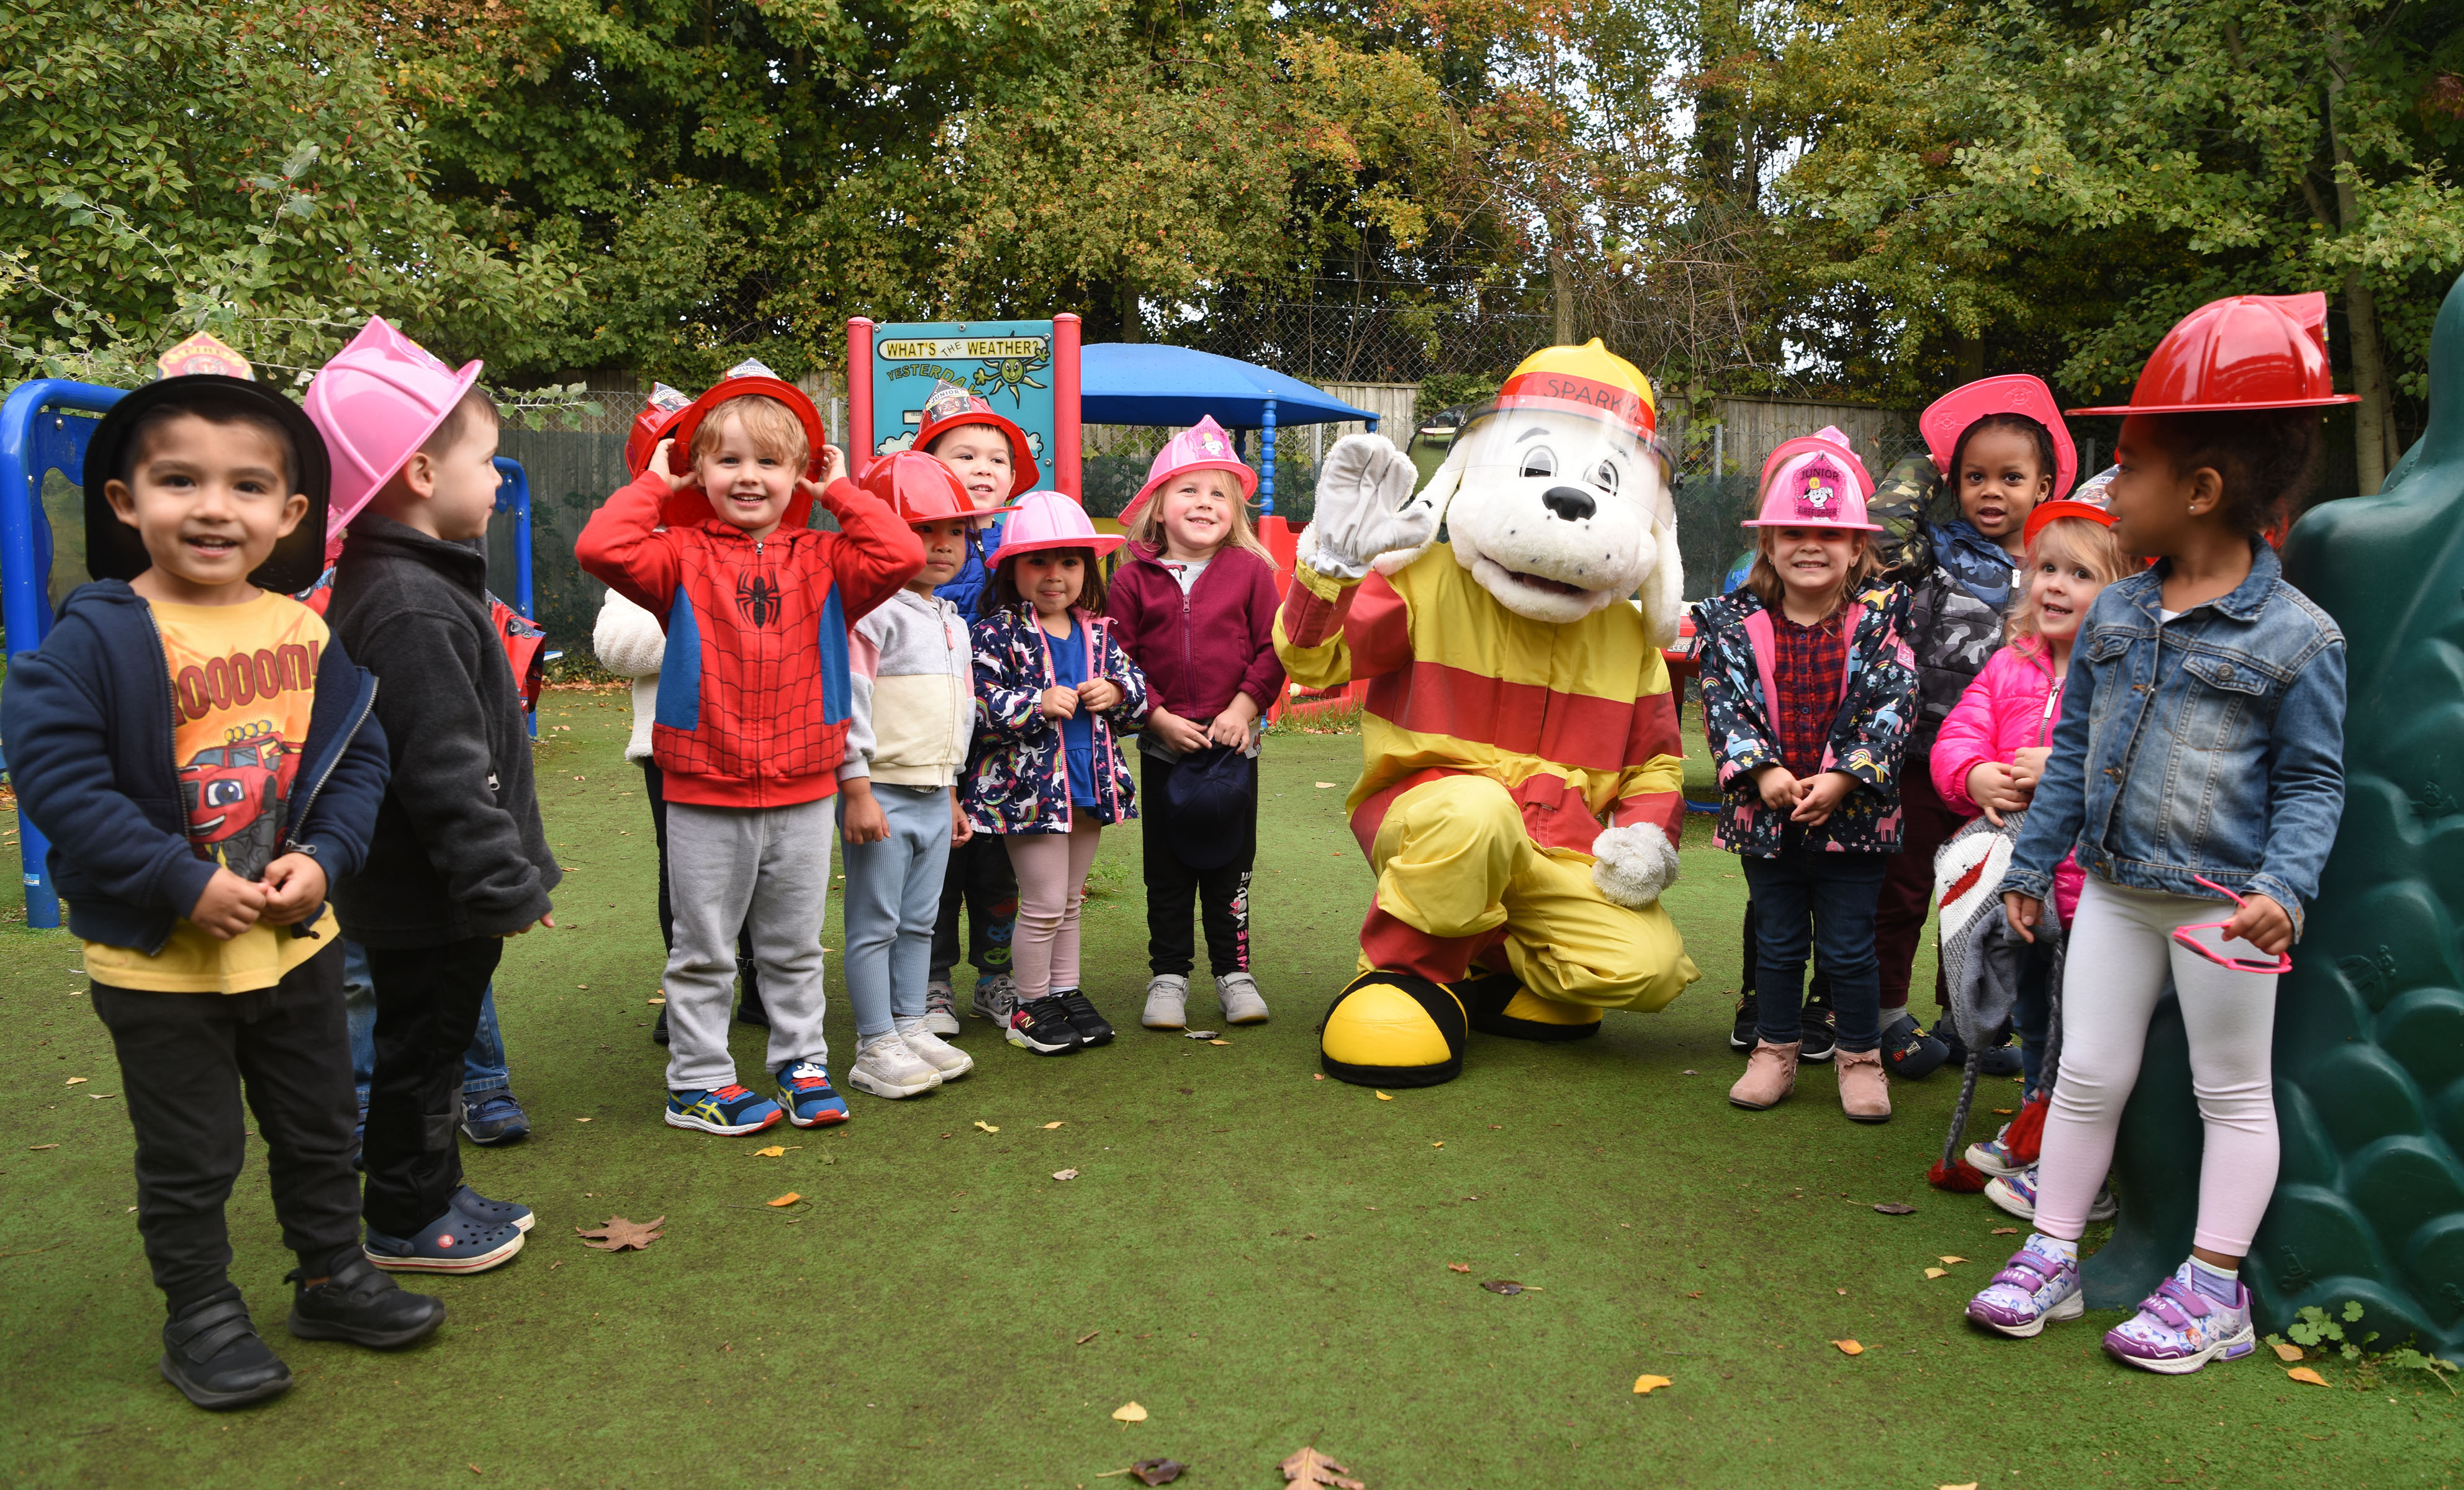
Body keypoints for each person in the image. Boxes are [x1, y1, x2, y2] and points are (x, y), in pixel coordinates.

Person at [3, 343, 439, 1409]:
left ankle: (332, 1276)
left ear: (289, 515)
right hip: (164, 961)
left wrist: (325, 858)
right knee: (192, 1154)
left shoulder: (303, 630)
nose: (213, 508)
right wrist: (174, 877)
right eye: (179, 480)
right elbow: (57, 776)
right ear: (126, 501)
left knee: (318, 1126)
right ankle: (199, 1314)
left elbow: (357, 757)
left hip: (295, 945)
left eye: (247, 487)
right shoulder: (97, 638)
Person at [1967, 292, 2349, 1374]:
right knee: (2087, 1073)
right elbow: (2073, 753)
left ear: (2200, 490)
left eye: (2128, 468)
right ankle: (2051, 1252)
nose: (2108, 488)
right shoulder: (2117, 613)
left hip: (2225, 908)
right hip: (2114, 891)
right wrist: (2031, 863)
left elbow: (2312, 781)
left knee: (2229, 1090)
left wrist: (2285, 890)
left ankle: (2214, 1289)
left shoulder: (2298, 639)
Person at [576, 361, 922, 1132]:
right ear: (698, 468)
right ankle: (697, 1082)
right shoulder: (677, 555)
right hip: (705, 785)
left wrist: (842, 493)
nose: (748, 476)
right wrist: (657, 486)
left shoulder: (827, 559)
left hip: (804, 785)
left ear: (800, 472)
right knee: (703, 949)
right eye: (727, 459)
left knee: (793, 946)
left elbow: (899, 554)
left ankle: (801, 1064)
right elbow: (602, 547)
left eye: (769, 461)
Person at [309, 317, 551, 1273]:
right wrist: (501, 882)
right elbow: (442, 765)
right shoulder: (408, 601)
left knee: (436, 1045)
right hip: (430, 892)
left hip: (436, 889)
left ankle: (435, 1187)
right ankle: (408, 1217)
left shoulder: (419, 578)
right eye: (485, 461)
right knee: (422, 1048)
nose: (496, 480)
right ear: (418, 473)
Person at [1692, 427, 1918, 1122]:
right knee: (1779, 942)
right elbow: (1723, 702)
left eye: (1829, 534)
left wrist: (1845, 778)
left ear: (1856, 549)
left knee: (1850, 947)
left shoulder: (1879, 625)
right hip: (1768, 817)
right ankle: (1774, 1052)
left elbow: (1894, 703)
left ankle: (1860, 1059)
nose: (1810, 545)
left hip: (1854, 821)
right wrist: (1761, 771)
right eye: (1792, 531)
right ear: (1768, 544)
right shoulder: (1735, 626)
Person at [1873, 377, 2078, 1078]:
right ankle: (1884, 1016)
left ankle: (1966, 1021)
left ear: (2044, 485)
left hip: (2010, 771)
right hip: (1921, 753)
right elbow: (1880, 535)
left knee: (1985, 894)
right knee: (1903, 890)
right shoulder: (1937, 551)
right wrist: (1931, 461)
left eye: (2010, 478)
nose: (1991, 492)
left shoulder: (2059, 562)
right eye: (1973, 477)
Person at [1928, 500, 2129, 1216]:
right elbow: (1957, 736)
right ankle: (2037, 1124)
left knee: (2086, 1035)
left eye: (2081, 574)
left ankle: (2085, 1162)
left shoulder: (2123, 676)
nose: (2056, 585)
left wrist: (2067, 769)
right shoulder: (2009, 666)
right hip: (2025, 892)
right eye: (2046, 569)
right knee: (2037, 1018)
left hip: (2093, 893)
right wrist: (1974, 775)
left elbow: (2136, 765)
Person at [593, 387, 769, 1050]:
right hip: (674, 745)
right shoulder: (651, 546)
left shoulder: (765, 541)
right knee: (689, 878)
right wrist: (707, 622)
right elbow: (615, 646)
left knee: (763, 867)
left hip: (758, 738)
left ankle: (760, 983)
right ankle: (692, 990)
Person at [1104, 417, 1285, 1030]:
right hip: (1167, 749)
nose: (1205, 503)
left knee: (1231, 866)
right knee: (1168, 868)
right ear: (1158, 508)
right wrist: (1154, 718)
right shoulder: (1132, 578)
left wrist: (1244, 707)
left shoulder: (1250, 572)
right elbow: (1120, 658)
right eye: (1189, 490)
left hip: (1233, 748)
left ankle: (1234, 974)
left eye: (1218, 494)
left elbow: (1274, 648)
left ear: (1234, 512)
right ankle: (1168, 977)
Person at [963, 490, 1150, 1054]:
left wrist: (1116, 690)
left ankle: (1064, 993)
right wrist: (1035, 704)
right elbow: (976, 707)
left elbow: (1138, 694)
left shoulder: (1097, 631)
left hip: (1088, 785)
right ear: (1012, 568)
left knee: (1068, 903)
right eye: (1038, 561)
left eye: (1069, 562)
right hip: (1029, 794)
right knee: (1044, 905)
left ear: (1086, 570)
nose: (1054, 575)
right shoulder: (996, 633)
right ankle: (1028, 1005)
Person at [837, 454, 998, 1097]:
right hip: (880, 792)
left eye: (954, 530)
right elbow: (850, 702)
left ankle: (910, 1026)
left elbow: (957, 715)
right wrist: (855, 788)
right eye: (921, 529)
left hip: (935, 795)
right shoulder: (872, 612)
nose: (942, 544)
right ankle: (874, 1041)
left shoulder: (952, 620)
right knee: (874, 922)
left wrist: (953, 791)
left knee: (919, 922)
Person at [918, 381, 1037, 1030]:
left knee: (1000, 866)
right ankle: (932, 981)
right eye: (964, 456)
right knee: (937, 862)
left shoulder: (1022, 540)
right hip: (937, 732)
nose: (983, 468)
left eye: (996, 459)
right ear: (930, 468)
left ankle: (997, 978)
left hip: (1006, 741)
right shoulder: (921, 543)